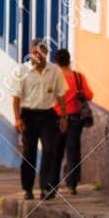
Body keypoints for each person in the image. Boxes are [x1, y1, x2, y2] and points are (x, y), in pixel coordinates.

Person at [13, 39, 66, 200]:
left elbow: (60, 94)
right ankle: (28, 188)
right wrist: (17, 118)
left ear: (46, 54)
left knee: (49, 150)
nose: (38, 56)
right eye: (36, 53)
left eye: (42, 53)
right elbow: (16, 97)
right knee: (29, 152)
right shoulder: (22, 71)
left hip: (48, 115)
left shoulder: (55, 71)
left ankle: (45, 187)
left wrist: (64, 117)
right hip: (28, 115)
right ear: (31, 52)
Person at [52, 47, 92, 192]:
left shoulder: (54, 78)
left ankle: (52, 184)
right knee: (72, 151)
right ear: (69, 60)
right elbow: (89, 95)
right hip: (75, 117)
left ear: (56, 62)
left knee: (56, 151)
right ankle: (72, 184)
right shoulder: (78, 77)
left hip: (56, 117)